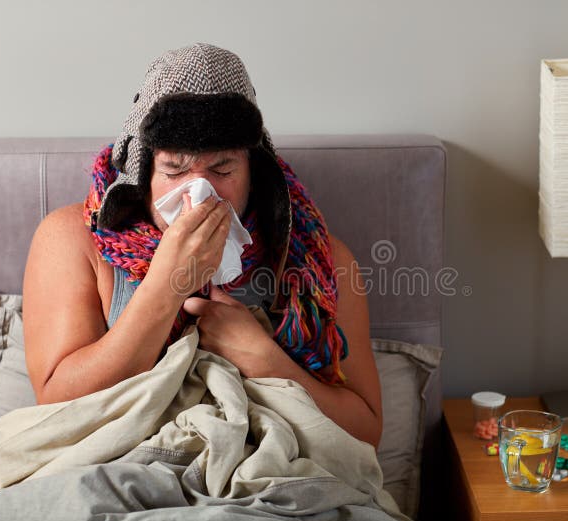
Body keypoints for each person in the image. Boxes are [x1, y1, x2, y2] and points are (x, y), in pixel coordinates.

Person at [22, 43, 383, 448]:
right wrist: (165, 286)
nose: (197, 195)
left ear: (253, 170)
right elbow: (56, 408)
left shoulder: (321, 260)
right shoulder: (72, 240)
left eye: (222, 169)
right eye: (174, 170)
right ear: (142, 172)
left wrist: (264, 360)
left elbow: (366, 434)